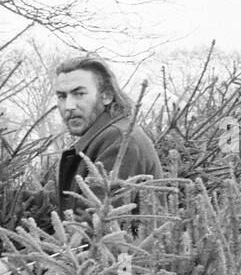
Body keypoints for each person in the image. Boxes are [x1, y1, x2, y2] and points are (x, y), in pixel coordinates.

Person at [28, 55, 162, 229]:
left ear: (106, 96)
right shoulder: (99, 139)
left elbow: (91, 228)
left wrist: (19, 257)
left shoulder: (119, 140)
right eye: (62, 96)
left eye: (79, 94)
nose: (68, 106)